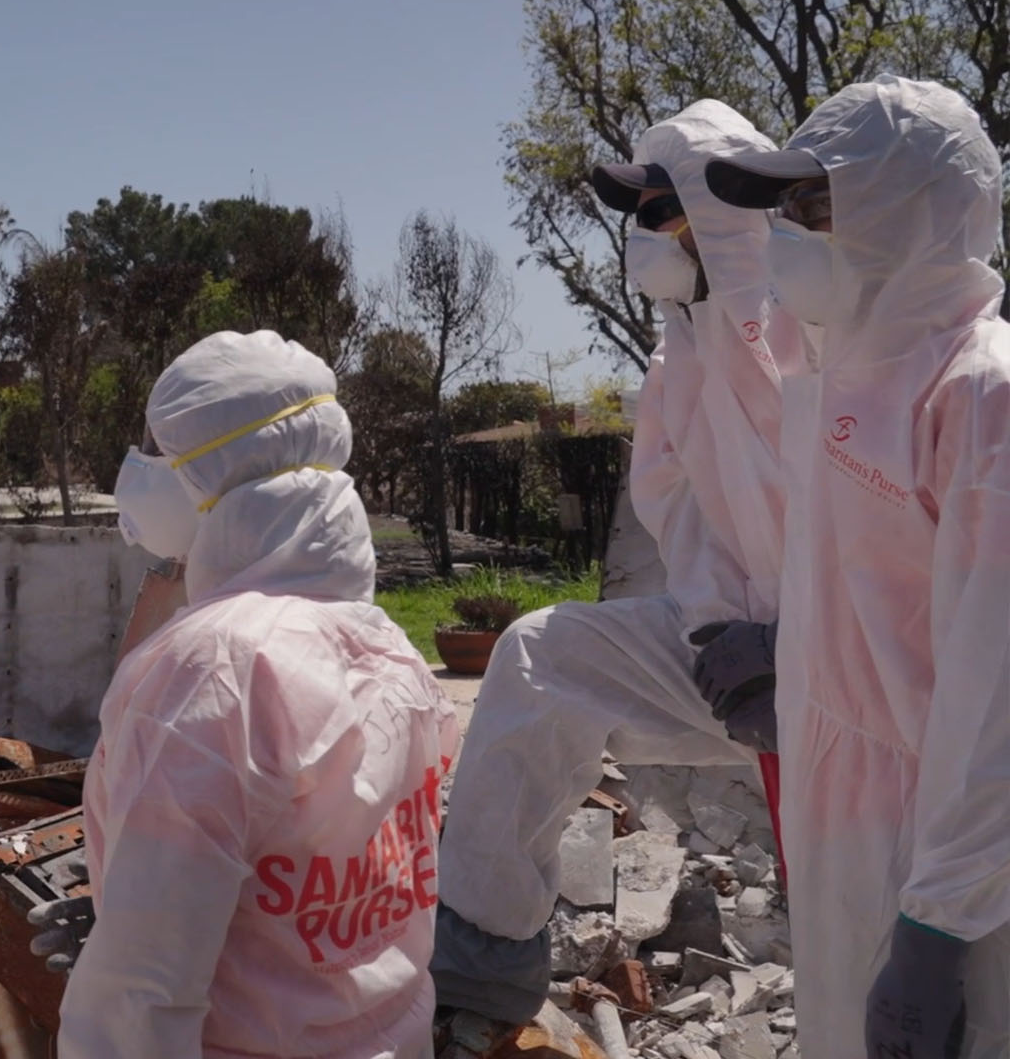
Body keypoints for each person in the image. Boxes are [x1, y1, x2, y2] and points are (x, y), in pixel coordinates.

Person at [429, 100, 796, 1025]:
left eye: (662, 211)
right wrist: (727, 632)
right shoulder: (681, 361)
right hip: (738, 658)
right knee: (542, 657)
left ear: (723, 219)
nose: (643, 235)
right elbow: (686, 524)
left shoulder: (820, 339)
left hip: (872, 673)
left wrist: (801, 645)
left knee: (874, 919)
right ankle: (479, 970)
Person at [38, 329, 460, 1058]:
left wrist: (127, 927)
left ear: (212, 472)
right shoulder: (388, 648)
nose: (139, 466)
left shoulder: (210, 670)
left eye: (159, 445)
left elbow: (140, 996)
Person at [706, 73, 1010, 1059]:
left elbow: (995, 690)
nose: (790, 234)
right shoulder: (832, 376)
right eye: (786, 210)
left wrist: (937, 925)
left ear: (918, 212)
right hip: (841, 820)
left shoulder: (981, 394)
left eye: (817, 205)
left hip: (952, 861)